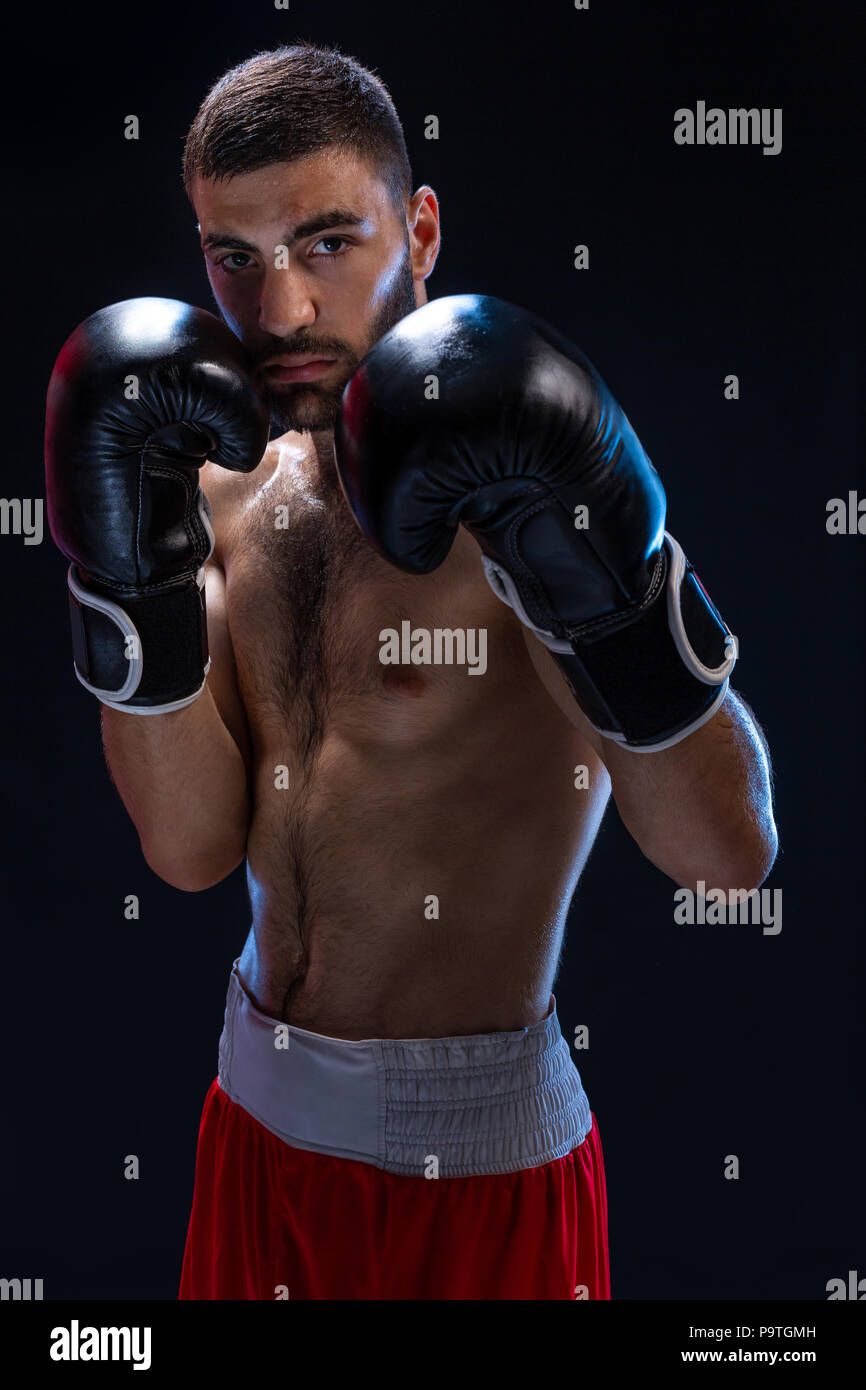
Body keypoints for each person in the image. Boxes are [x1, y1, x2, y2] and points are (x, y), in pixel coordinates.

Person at [44, 44, 777, 1301]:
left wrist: (598, 585)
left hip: (477, 1173)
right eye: (236, 257)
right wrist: (125, 577)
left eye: (328, 243)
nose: (278, 314)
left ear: (418, 229)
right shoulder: (216, 489)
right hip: (254, 1130)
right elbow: (188, 847)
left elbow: (729, 852)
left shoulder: (520, 486)